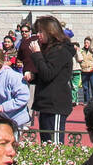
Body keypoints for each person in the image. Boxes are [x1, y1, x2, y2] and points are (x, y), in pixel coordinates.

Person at [30, 15, 76, 143]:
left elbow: (48, 74)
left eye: (40, 31)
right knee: (46, 144)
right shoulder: (50, 49)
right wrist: (34, 76)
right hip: (46, 103)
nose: (37, 35)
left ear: (50, 32)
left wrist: (37, 55)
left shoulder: (60, 50)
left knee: (54, 145)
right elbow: (46, 73)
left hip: (55, 103)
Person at [79, 37, 93, 104]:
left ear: (90, 43)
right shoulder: (81, 51)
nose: (86, 44)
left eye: (87, 43)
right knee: (85, 88)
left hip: (92, 71)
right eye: (85, 43)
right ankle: (86, 101)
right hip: (84, 71)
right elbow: (79, 59)